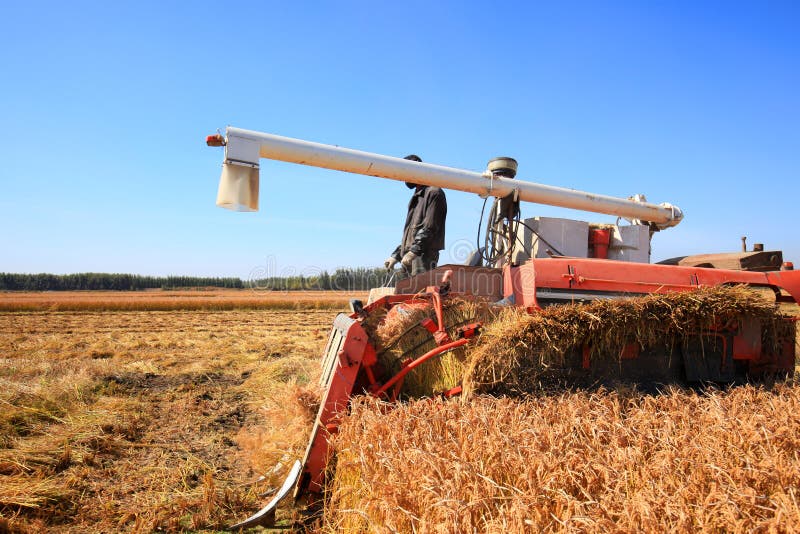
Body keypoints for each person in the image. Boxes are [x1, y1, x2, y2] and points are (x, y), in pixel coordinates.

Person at [384, 155, 447, 277]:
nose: (404, 178)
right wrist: (396, 255)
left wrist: (414, 251)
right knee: (407, 289)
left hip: (423, 257)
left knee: (420, 288)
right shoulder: (417, 197)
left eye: (405, 173)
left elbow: (430, 228)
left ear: (417, 170)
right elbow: (411, 235)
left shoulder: (434, 193)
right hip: (410, 256)